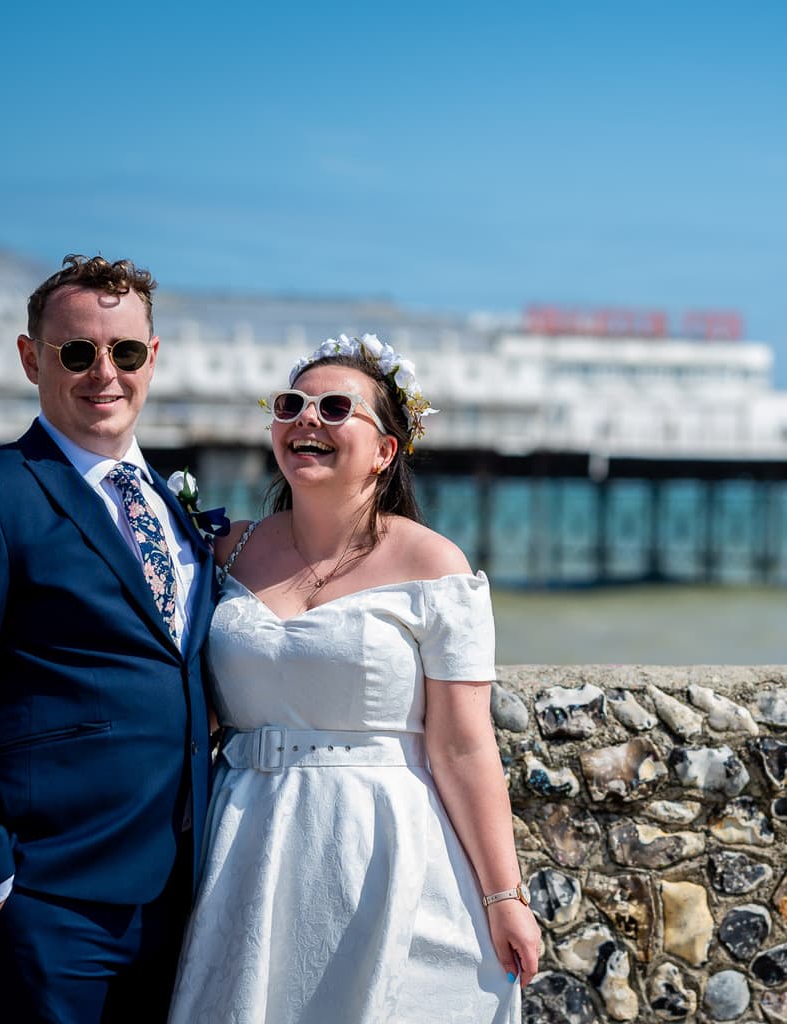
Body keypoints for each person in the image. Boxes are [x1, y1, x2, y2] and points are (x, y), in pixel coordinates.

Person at [167, 333, 539, 1023]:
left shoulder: (435, 565)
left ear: (384, 451)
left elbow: (463, 745)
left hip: (381, 843)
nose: (307, 419)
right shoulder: (226, 549)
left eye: (335, 408)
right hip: (246, 838)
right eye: (291, 405)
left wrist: (504, 896)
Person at [0, 255, 214, 1022]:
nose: (104, 372)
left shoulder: (174, 510)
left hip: (181, 899)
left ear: (152, 359)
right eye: (77, 352)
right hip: (45, 902)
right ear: (31, 358)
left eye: (124, 351)